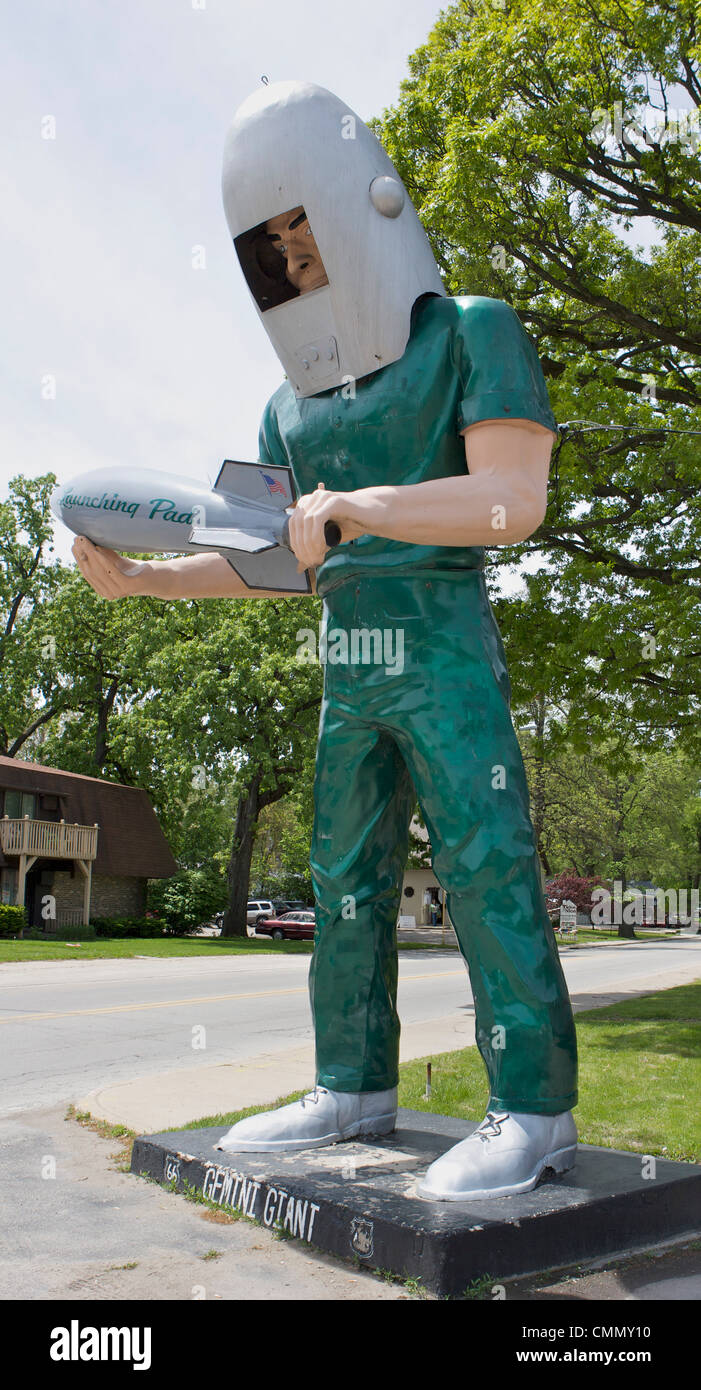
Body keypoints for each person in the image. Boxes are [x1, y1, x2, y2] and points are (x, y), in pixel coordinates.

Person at [73, 80, 578, 1201]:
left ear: (366, 208)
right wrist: (144, 581)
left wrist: (368, 504)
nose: (291, 260)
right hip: (348, 663)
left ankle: (533, 1107)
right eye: (269, 245)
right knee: (340, 876)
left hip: (440, 642)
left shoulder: (471, 332)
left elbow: (511, 499)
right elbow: (269, 558)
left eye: (305, 230)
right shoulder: (284, 413)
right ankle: (348, 1084)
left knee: (485, 861)